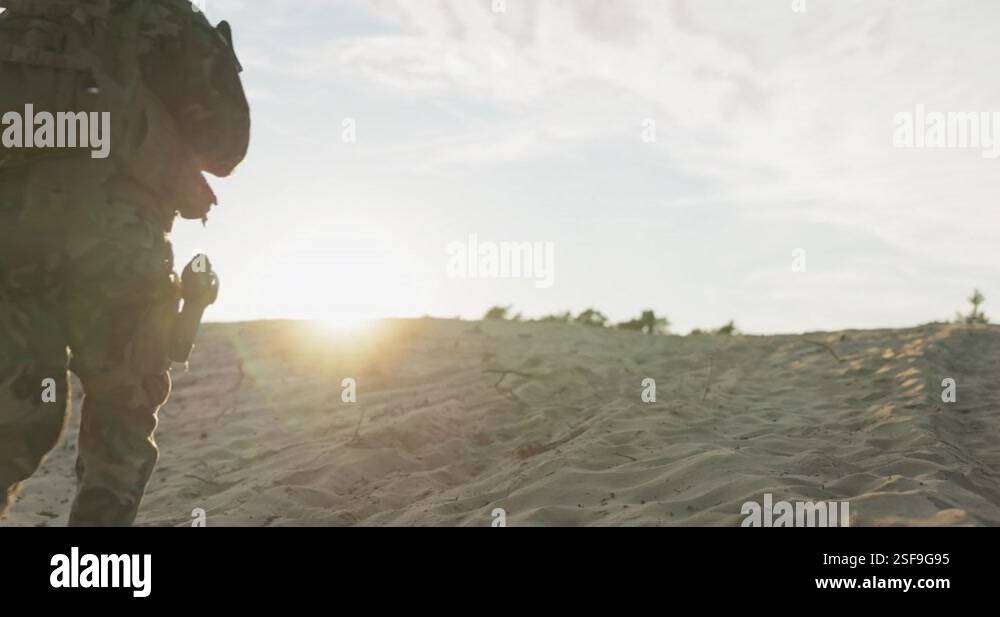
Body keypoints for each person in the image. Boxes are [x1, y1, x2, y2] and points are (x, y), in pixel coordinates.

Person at [0, 0, 249, 526]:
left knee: (11, 422)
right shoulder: (159, 14)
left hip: (11, 245)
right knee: (120, 425)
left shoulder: (18, 14)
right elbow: (225, 146)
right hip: (117, 252)